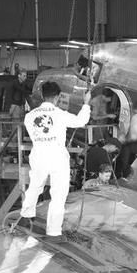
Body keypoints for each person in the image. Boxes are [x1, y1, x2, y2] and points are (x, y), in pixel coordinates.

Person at [18, 80, 91, 242]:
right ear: (57, 97)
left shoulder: (30, 116)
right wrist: (86, 104)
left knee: (35, 186)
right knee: (58, 194)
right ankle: (53, 232)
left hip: (38, 155)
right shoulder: (60, 114)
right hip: (57, 157)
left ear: (42, 95)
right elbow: (81, 121)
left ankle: (26, 216)